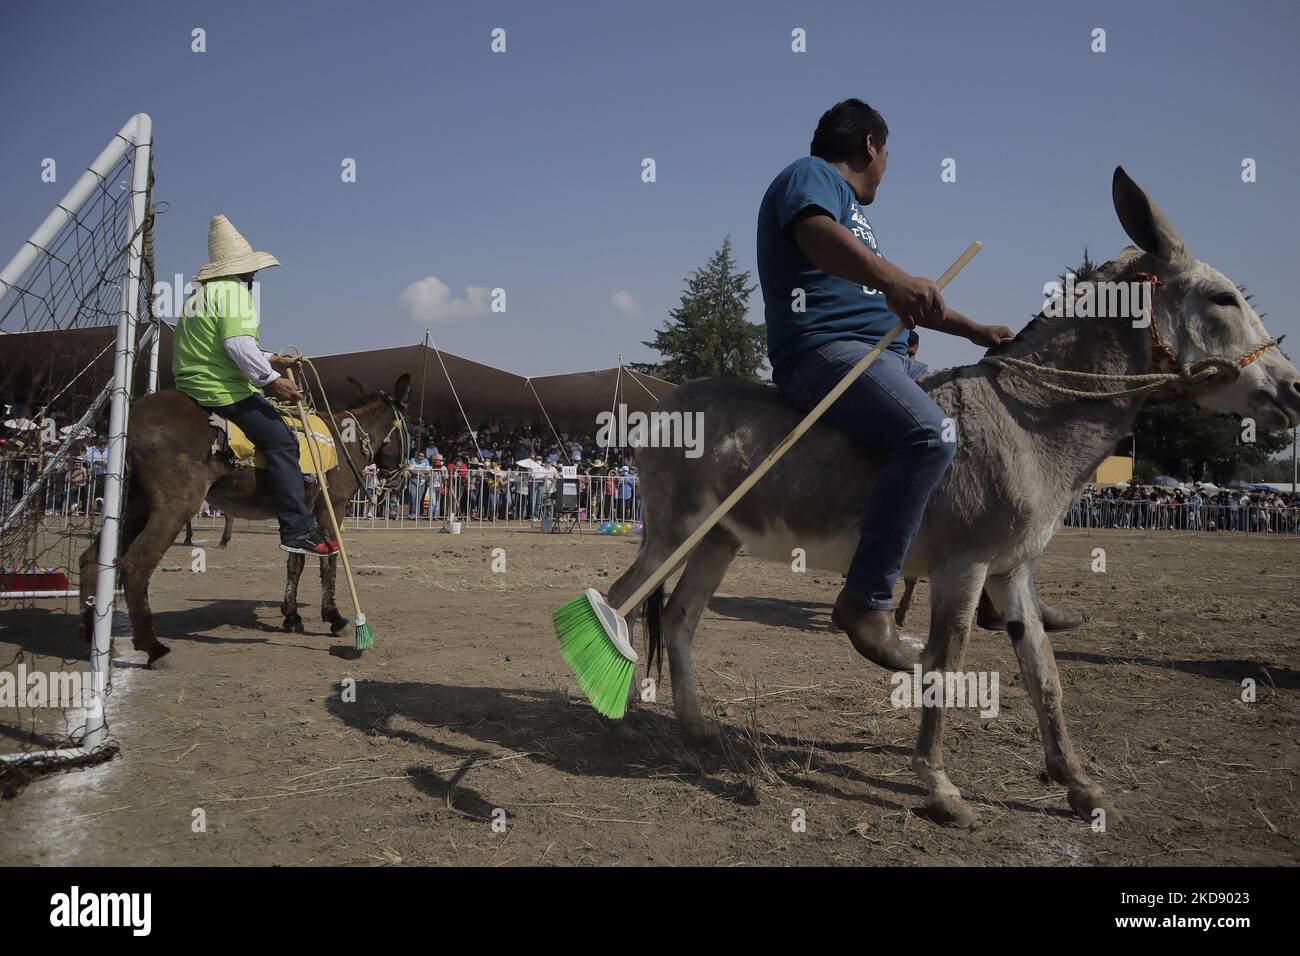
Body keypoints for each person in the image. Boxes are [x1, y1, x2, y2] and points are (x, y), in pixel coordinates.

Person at [757, 99, 1018, 669]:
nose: (887, 166)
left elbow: (899, 297)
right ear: (871, 146)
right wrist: (892, 276)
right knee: (931, 436)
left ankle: (998, 592)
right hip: (824, 353)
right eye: (888, 153)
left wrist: (974, 331)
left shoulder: (856, 222)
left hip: (889, 360)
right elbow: (815, 233)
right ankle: (866, 602)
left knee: (982, 423)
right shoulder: (812, 178)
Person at [173, 214, 338, 556]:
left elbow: (229, 344)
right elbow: (237, 346)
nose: (254, 274)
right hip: (223, 390)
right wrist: (273, 381)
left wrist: (275, 359)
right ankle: (296, 528)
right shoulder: (234, 293)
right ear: (240, 268)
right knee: (282, 440)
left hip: (189, 388)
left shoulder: (198, 296)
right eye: (251, 269)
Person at [407, 449, 432, 519]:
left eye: (422, 456)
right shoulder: (412, 460)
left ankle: (417, 514)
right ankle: (412, 513)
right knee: (413, 497)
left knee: (419, 498)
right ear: (417, 456)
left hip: (422, 482)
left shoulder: (426, 461)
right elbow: (411, 470)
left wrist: (417, 471)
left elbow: (427, 471)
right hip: (413, 481)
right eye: (419, 456)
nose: (420, 457)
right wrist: (420, 473)